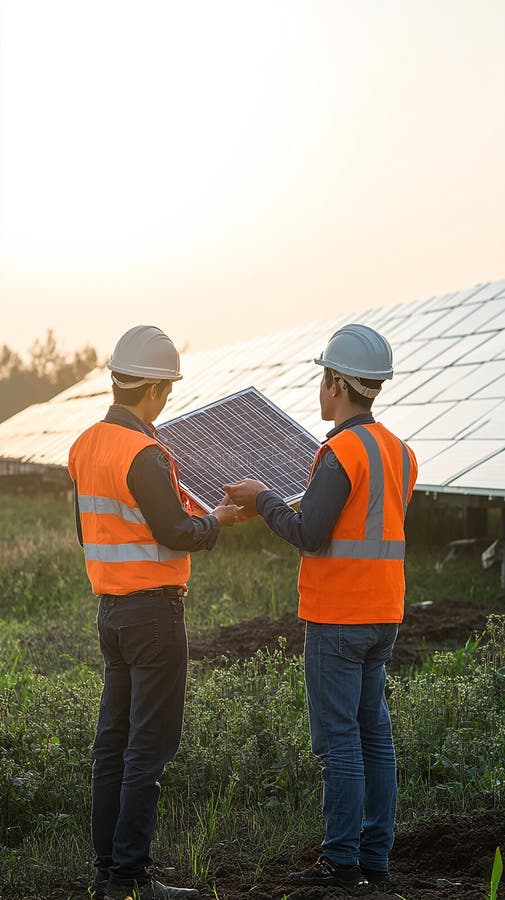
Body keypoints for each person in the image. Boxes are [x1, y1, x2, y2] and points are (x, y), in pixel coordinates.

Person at [224, 323, 418, 891]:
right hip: (385, 613)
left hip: (338, 617)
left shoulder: (339, 452)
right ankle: (375, 858)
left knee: (339, 740)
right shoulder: (400, 453)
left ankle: (340, 860)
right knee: (373, 736)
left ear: (336, 383)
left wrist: (263, 500)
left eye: (322, 378)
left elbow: (311, 533)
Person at [68, 326, 240, 900]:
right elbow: (175, 531)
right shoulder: (144, 452)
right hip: (154, 618)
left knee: (111, 745)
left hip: (111, 615)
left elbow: (86, 532)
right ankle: (133, 875)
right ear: (157, 390)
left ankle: (106, 870)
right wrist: (218, 522)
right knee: (149, 747)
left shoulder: (85, 444)